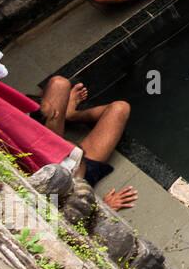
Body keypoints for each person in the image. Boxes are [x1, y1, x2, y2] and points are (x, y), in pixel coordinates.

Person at [34, 76, 138, 211]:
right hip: (77, 177)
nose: (57, 113)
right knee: (119, 109)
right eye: (54, 115)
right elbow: (56, 216)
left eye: (55, 113)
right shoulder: (43, 184)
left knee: (58, 83)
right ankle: (63, 117)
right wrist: (101, 209)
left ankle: (71, 115)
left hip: (55, 146)